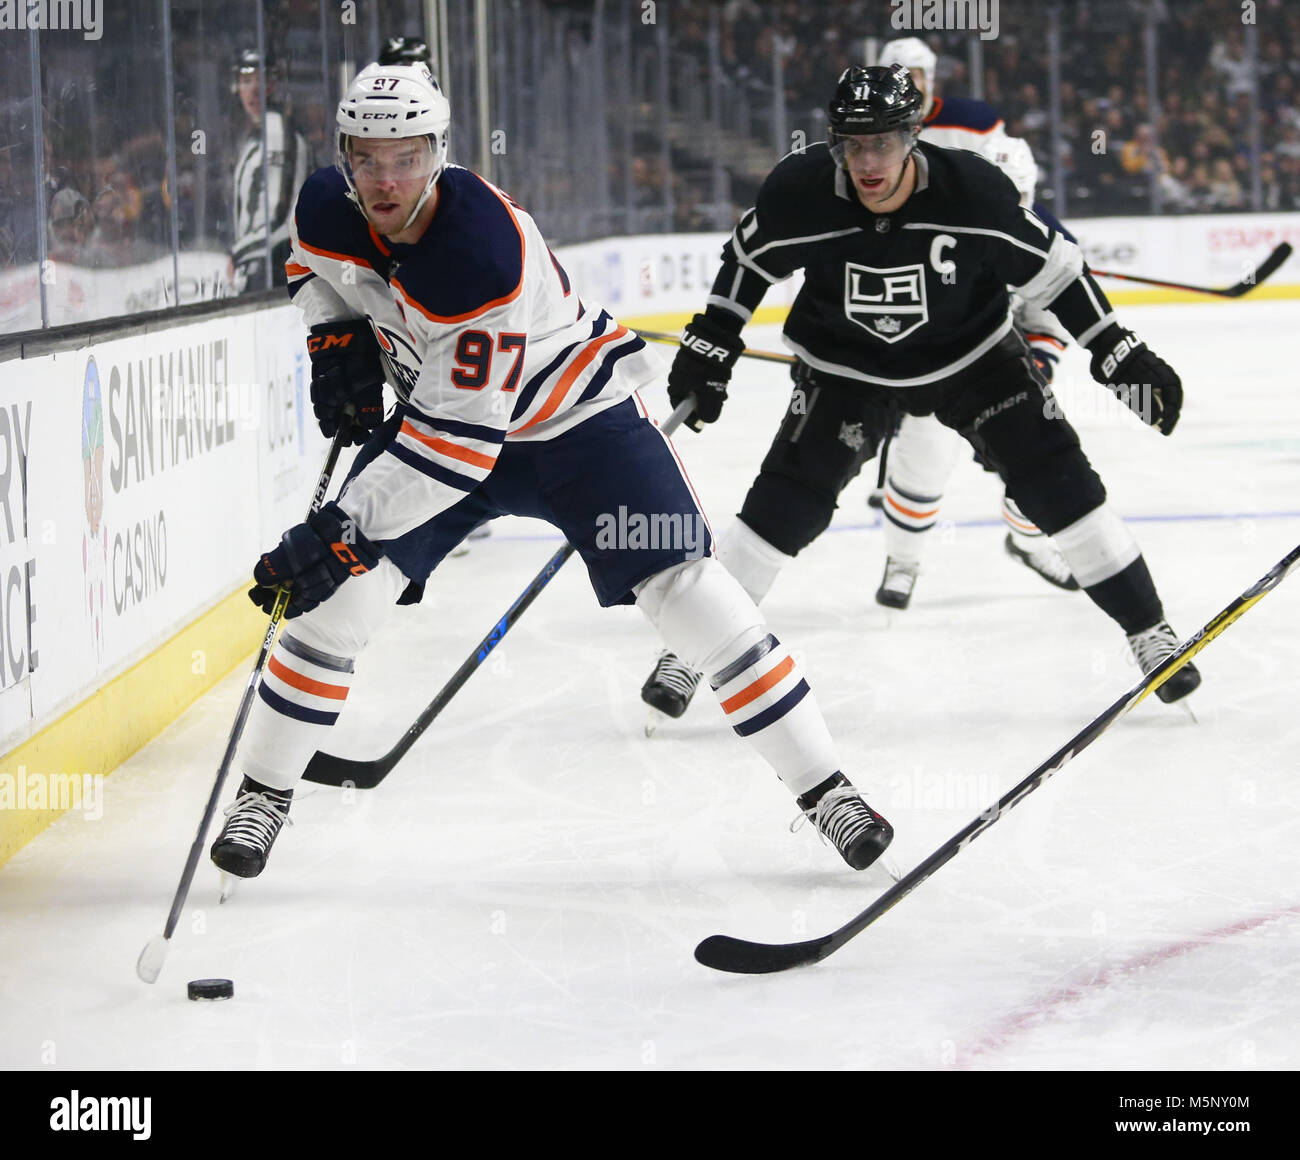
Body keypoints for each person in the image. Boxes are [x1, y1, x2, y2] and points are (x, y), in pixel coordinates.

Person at [207, 59, 894, 880]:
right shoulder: (325, 202)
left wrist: (341, 530)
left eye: (408, 157)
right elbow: (312, 270)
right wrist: (333, 337)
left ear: (442, 154)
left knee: (690, 593)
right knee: (334, 606)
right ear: (343, 156)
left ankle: (827, 791)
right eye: (367, 158)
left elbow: (455, 452)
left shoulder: (480, 253)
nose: (386, 179)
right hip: (447, 428)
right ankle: (265, 793)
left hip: (579, 430)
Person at [640, 64, 1200, 722]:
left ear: (914, 135)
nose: (867, 161)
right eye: (852, 143)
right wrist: (711, 344)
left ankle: (1149, 632)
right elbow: (748, 261)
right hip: (846, 371)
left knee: (1059, 483)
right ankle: (691, 649)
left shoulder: (974, 194)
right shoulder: (802, 192)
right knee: (782, 508)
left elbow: (1056, 273)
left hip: (973, 361)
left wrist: (1116, 349)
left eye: (882, 142)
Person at [870, 37, 1076, 608]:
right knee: (922, 454)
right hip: (941, 357)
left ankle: (1030, 540)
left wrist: (1042, 361)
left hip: (1001, 360)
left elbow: (1049, 310)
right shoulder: (943, 230)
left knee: (1041, 455)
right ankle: (903, 560)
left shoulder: (1041, 236)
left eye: (1022, 196)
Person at [230, 48, 311, 294]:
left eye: (261, 80)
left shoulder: (275, 129)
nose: (252, 90)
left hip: (273, 266)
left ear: (273, 85)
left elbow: (279, 215)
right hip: (259, 263)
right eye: (246, 81)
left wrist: (238, 255)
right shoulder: (256, 135)